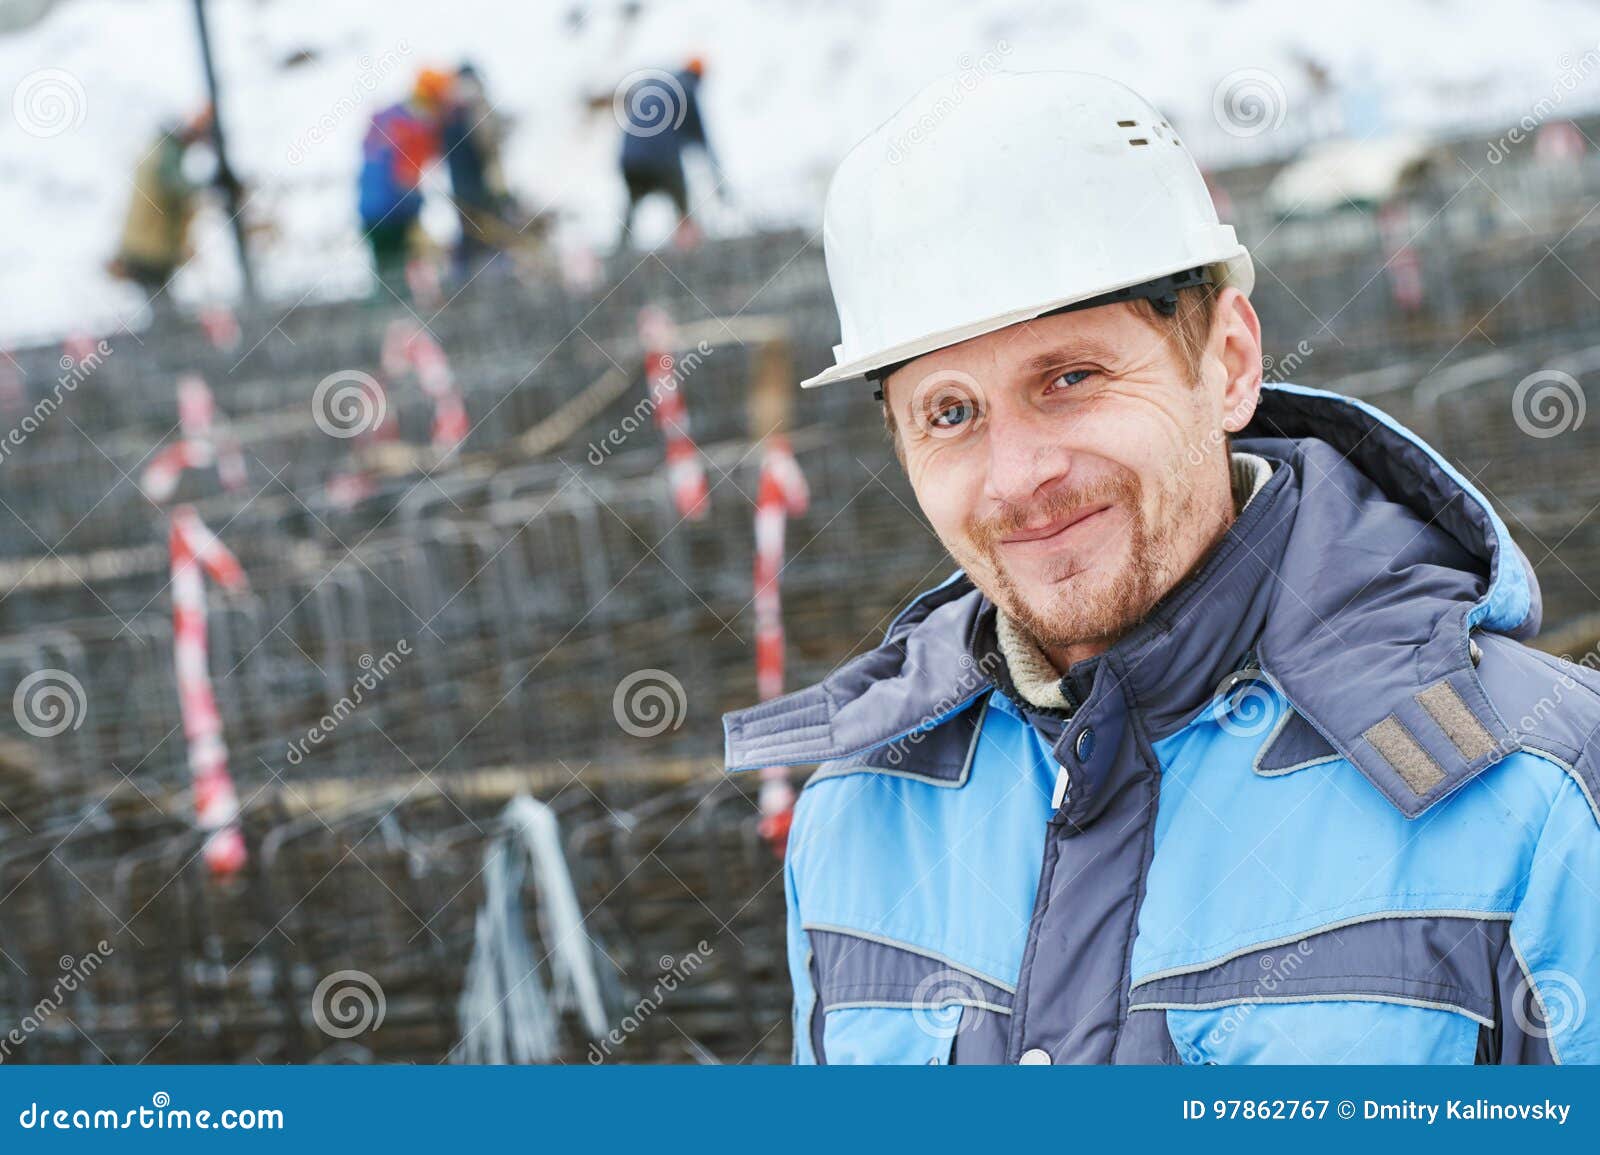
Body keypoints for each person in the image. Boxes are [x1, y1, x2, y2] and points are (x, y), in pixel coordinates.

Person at [722, 71, 1600, 1065]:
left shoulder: (1538, 787)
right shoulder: (860, 812)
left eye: (1070, 379)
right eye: (951, 414)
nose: (1018, 479)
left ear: (1226, 363)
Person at [359, 69, 454, 300]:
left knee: (391, 273)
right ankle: (401, 317)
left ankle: (400, 312)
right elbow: (399, 176)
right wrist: (414, 199)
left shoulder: (391, 118)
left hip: (375, 209)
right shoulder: (409, 126)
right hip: (389, 212)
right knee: (396, 274)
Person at [110, 109, 212, 309]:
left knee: (161, 305)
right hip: (150, 250)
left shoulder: (159, 148)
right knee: (163, 309)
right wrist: (206, 188)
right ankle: (167, 338)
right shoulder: (167, 154)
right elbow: (177, 187)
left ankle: (166, 335)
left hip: (145, 246)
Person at [616, 57, 714, 251]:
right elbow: (700, 137)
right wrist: (717, 174)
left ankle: (621, 250)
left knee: (633, 201)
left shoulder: (661, 88)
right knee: (680, 196)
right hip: (660, 159)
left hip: (630, 160)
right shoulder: (686, 91)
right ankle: (689, 245)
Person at [441, 62, 513, 282]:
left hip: (471, 191)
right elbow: (488, 145)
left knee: (482, 241)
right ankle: (485, 285)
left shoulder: (452, 114)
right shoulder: (466, 112)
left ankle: (473, 284)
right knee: (487, 241)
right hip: (478, 191)